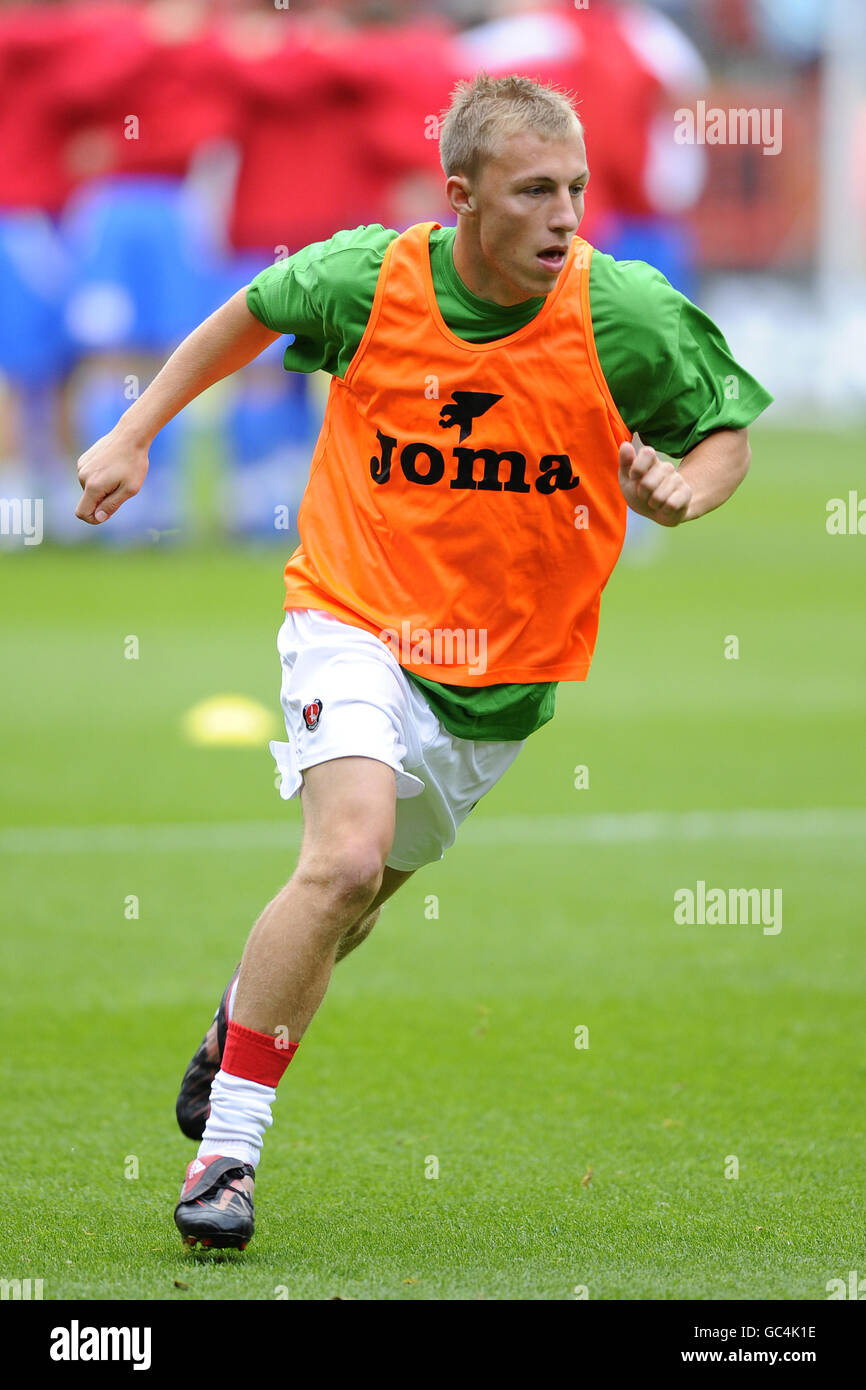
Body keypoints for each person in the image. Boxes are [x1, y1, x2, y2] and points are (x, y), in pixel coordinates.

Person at [75, 73, 773, 1250]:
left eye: (576, 189)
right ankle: (227, 1157)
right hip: (351, 615)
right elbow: (251, 308)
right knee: (341, 858)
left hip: (500, 682)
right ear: (460, 197)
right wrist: (133, 431)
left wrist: (682, 490)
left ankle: (234, 1022)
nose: (564, 215)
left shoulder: (626, 312)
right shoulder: (372, 278)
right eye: (534, 191)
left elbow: (721, 434)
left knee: (350, 904)